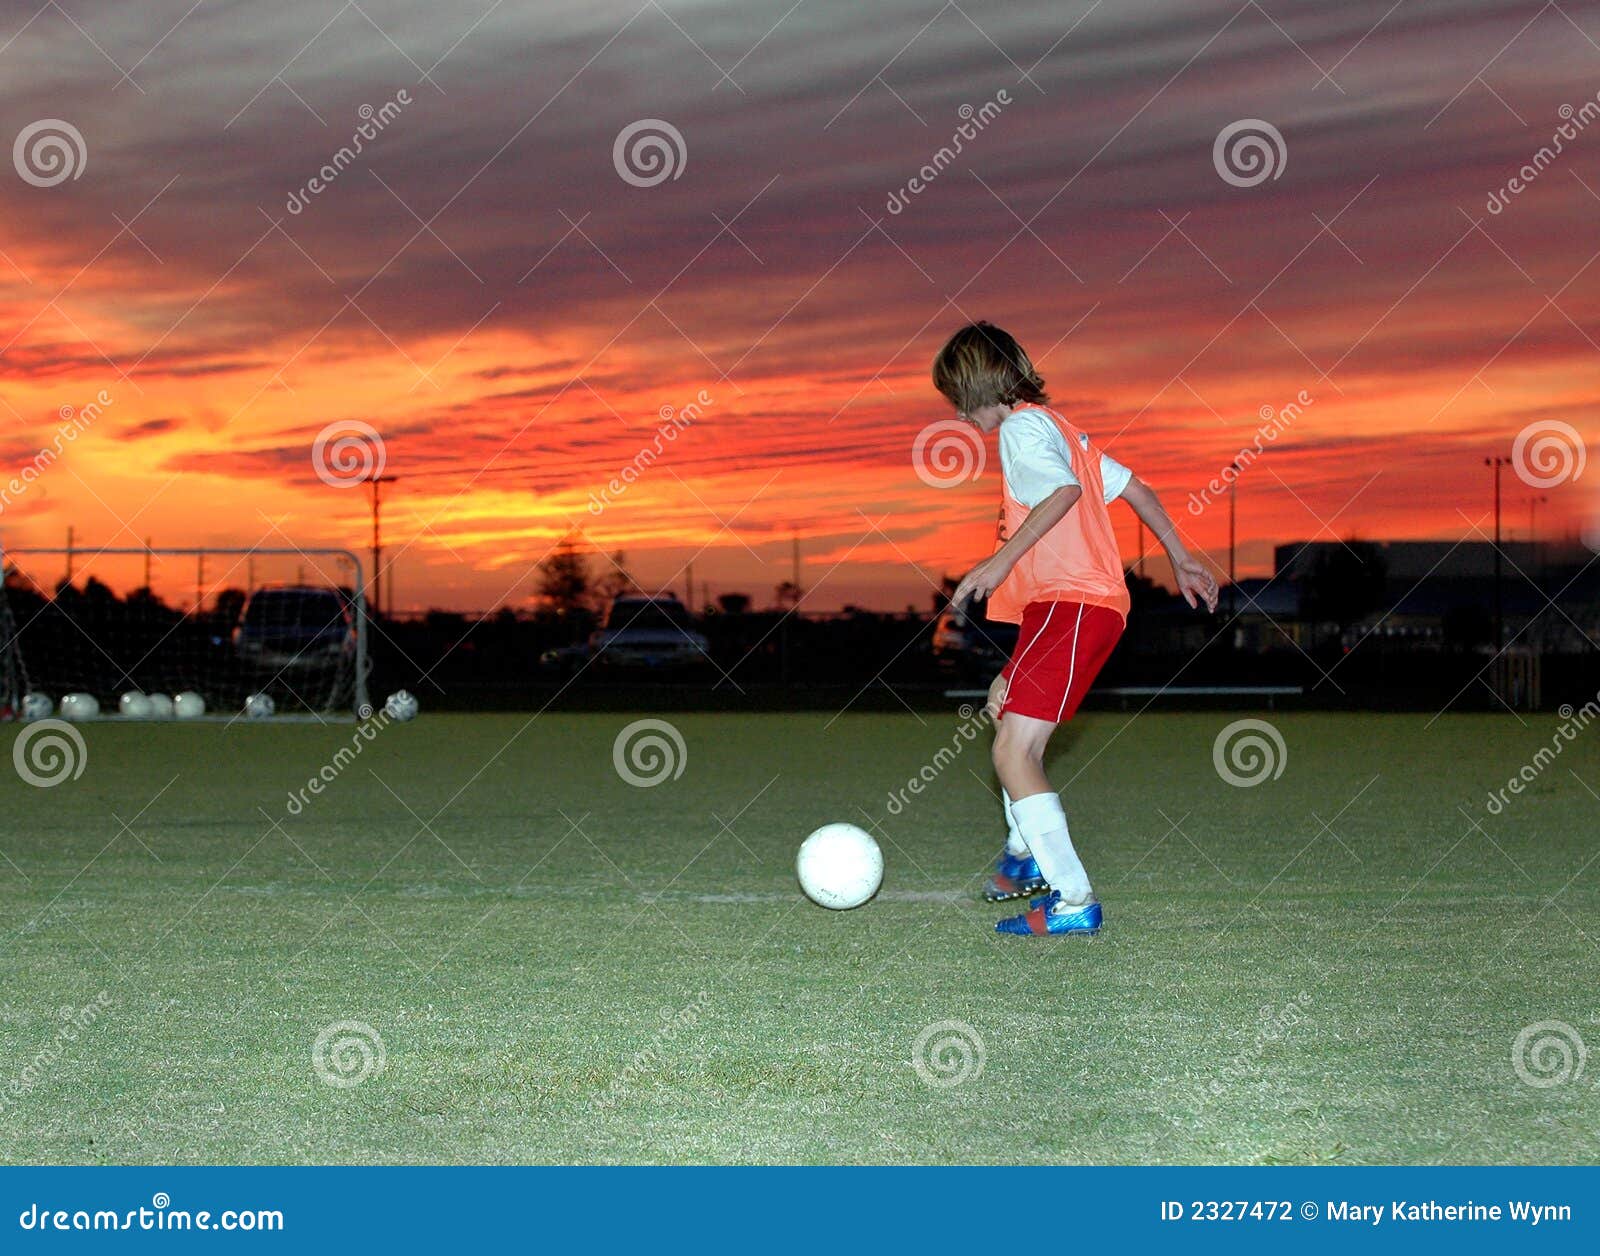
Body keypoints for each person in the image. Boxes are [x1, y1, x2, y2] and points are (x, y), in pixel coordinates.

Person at [932, 322, 1218, 936]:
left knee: (1014, 750)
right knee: (1004, 711)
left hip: (1074, 604)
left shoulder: (1019, 429)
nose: (958, 411)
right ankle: (1021, 853)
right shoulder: (1061, 431)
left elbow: (1060, 494)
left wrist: (999, 561)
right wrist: (1180, 555)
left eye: (958, 395)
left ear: (978, 383)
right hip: (1071, 607)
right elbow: (1136, 488)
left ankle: (1072, 899)